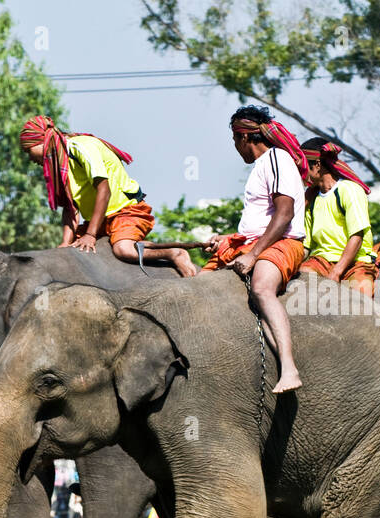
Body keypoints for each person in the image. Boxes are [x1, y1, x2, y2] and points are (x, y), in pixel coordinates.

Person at [202, 106, 309, 393]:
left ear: (244, 137)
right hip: (259, 241)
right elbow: (258, 222)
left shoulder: (276, 158)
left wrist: (251, 255)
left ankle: (289, 368)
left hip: (283, 243)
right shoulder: (261, 167)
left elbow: (284, 214)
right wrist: (226, 239)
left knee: (261, 288)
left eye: (235, 141)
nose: (236, 148)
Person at [19, 115, 196, 277]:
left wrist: (90, 234)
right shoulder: (59, 165)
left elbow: (104, 190)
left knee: (123, 250)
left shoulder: (81, 147)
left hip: (126, 211)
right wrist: (65, 242)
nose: (29, 157)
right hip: (99, 220)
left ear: (44, 140)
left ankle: (173, 252)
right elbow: (70, 208)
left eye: (28, 150)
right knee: (71, 255)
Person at [298, 137, 379, 298]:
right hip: (321, 261)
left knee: (360, 300)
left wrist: (336, 272)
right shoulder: (311, 199)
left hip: (355, 262)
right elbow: (306, 246)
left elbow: (357, 236)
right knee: (299, 283)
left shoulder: (349, 190)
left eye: (304, 168)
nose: (301, 174)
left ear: (318, 165)